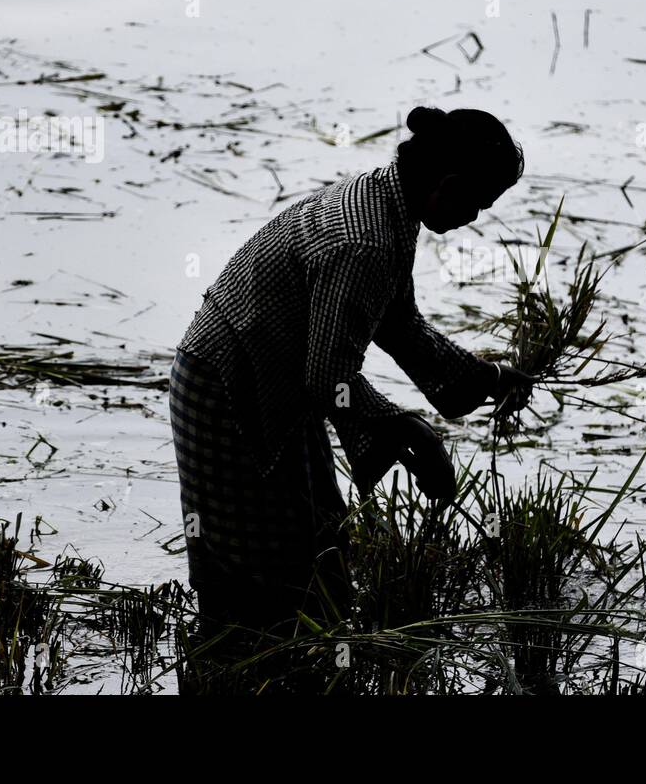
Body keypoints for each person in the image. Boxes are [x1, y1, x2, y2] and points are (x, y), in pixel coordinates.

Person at [169, 106, 534, 661]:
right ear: (449, 185)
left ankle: (275, 662)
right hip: (227, 389)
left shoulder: (388, 205)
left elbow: (398, 323)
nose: (475, 219)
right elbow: (328, 380)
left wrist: (487, 379)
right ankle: (235, 669)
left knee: (317, 544)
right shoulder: (365, 240)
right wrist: (413, 432)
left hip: (269, 381)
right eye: (477, 206)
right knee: (256, 575)